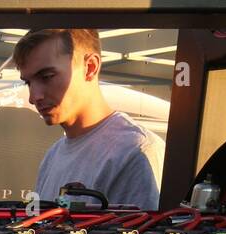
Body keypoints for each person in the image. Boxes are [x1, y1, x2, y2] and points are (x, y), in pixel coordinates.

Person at [15, 28, 165, 210]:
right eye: (28, 82)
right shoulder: (53, 156)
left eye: (46, 77)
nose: (34, 97)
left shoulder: (134, 151)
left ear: (90, 67)